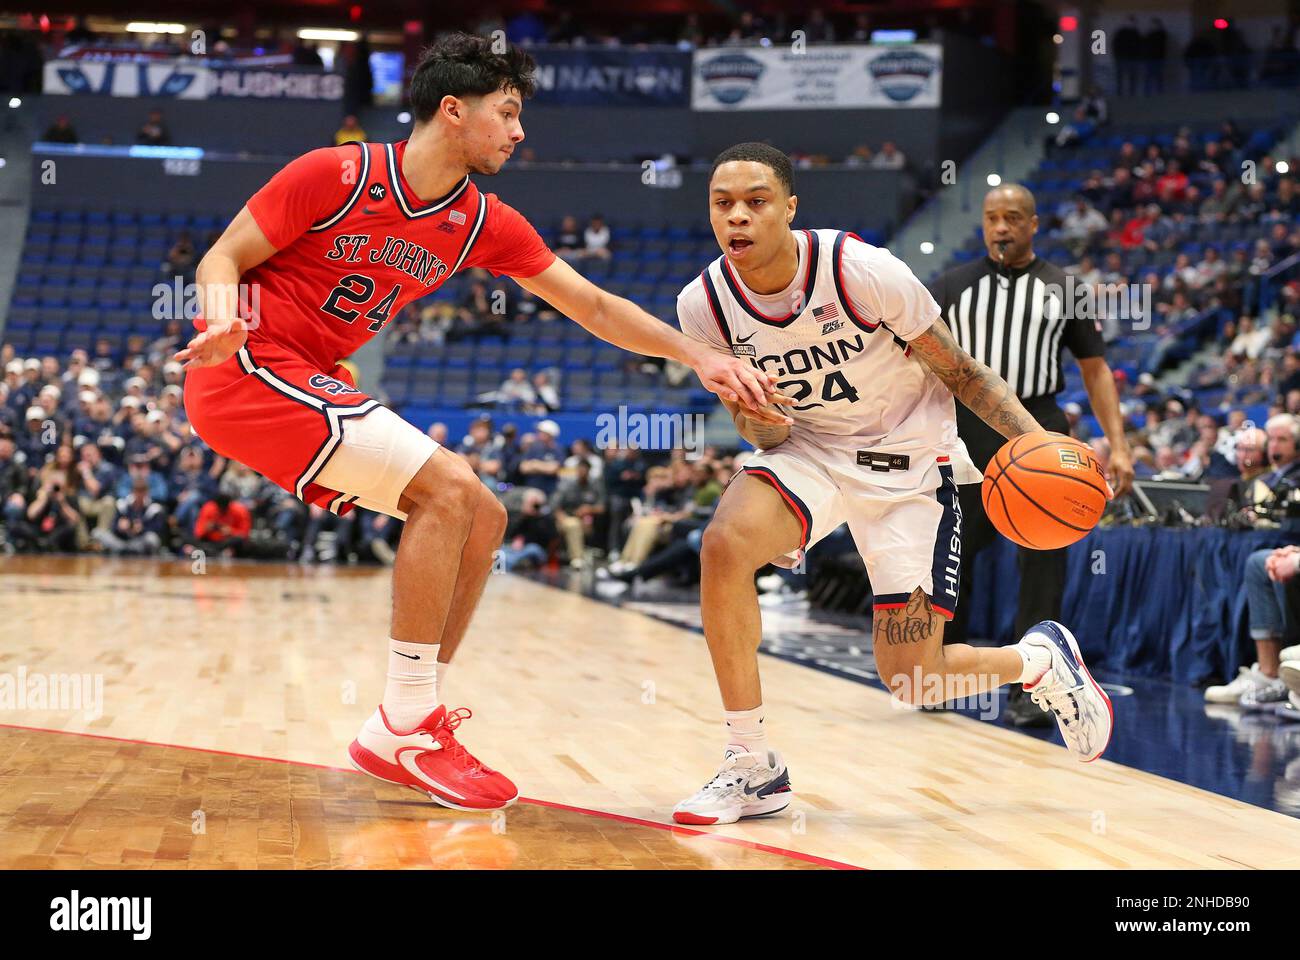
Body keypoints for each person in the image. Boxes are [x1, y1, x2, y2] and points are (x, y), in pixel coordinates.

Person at [177, 34, 776, 814]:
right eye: (508, 112)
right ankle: (407, 724)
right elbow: (223, 256)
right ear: (453, 111)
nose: (519, 131)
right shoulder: (338, 172)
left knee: (481, 516)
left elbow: (592, 305)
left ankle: (411, 714)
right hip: (246, 367)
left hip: (310, 379)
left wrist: (698, 356)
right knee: (450, 492)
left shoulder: (477, 222)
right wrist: (222, 322)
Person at [669, 143, 1114, 826]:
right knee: (724, 543)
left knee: (912, 678)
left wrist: (1038, 443)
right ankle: (751, 762)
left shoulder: (861, 271)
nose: (737, 217)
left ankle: (1035, 661)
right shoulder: (704, 307)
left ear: (789, 208)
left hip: (910, 467)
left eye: (756, 201)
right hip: (810, 450)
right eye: (722, 204)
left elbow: (963, 374)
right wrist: (757, 420)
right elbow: (762, 437)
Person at [928, 183, 1133, 727]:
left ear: (1034, 224)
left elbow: (1095, 369)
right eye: (993, 217)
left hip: (1039, 428)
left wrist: (1119, 442)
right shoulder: (950, 285)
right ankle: (944, 672)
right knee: (950, 551)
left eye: (1013, 217)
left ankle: (1035, 684)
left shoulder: (1066, 289)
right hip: (964, 428)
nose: (1001, 227)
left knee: (1043, 559)